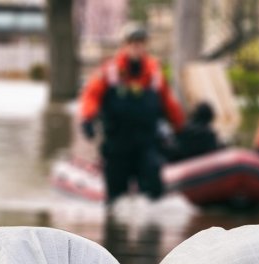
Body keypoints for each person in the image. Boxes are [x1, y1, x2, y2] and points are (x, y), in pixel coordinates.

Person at [79, 25, 185, 205]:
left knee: (153, 191)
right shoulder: (109, 72)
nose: (137, 47)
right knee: (115, 197)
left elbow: (168, 103)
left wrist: (180, 128)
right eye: (133, 43)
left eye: (140, 43)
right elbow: (91, 96)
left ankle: (151, 229)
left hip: (146, 143)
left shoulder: (154, 73)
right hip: (117, 143)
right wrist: (88, 118)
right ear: (125, 46)